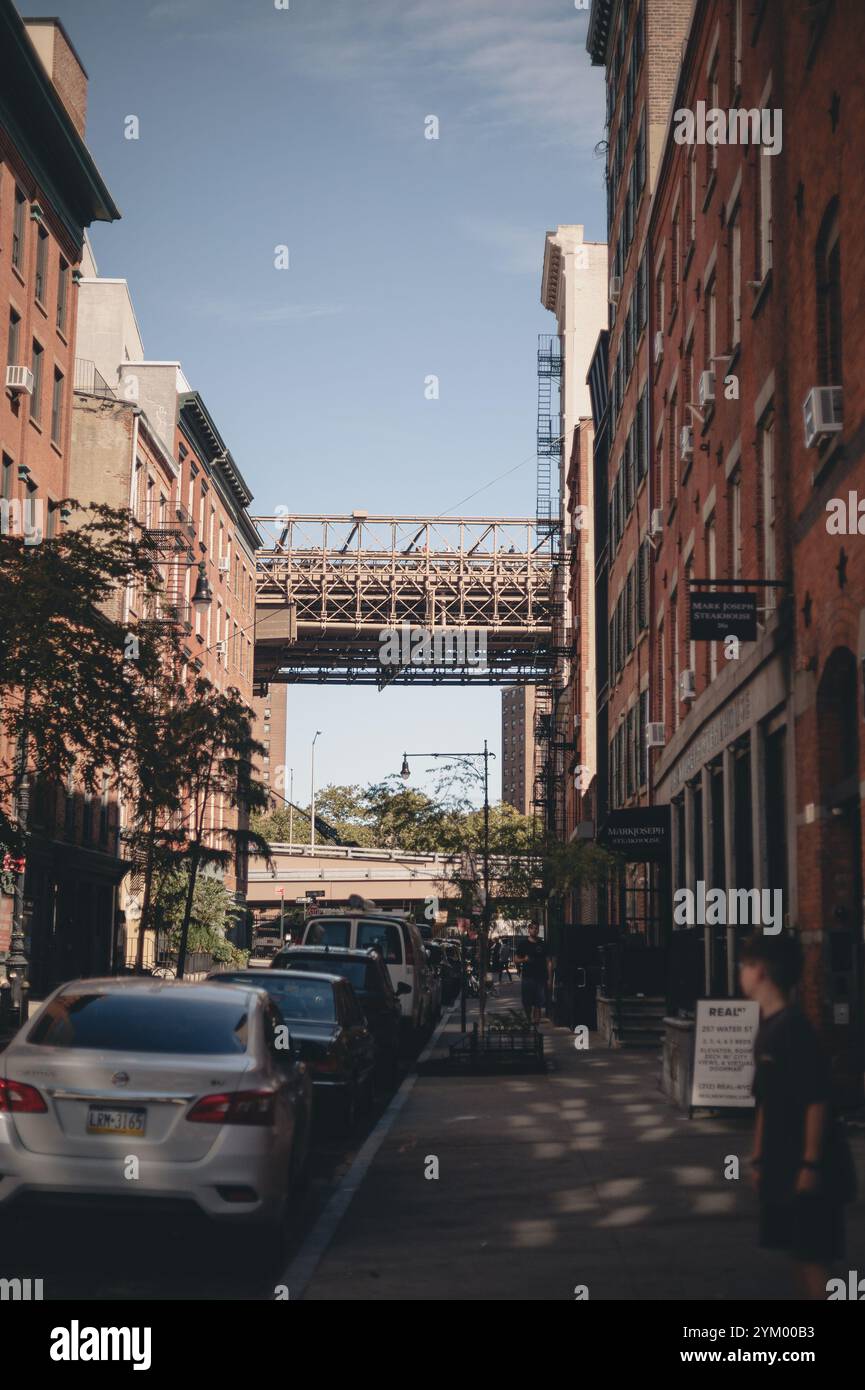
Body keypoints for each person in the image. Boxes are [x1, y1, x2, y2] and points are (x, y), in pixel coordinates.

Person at [739, 932, 856, 1300]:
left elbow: (817, 1100)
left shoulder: (794, 1029)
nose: (741, 972)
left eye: (745, 965)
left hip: (807, 1167)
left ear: (760, 972)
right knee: (798, 1255)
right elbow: (765, 1103)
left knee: (813, 1260)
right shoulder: (768, 1029)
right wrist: (759, 1159)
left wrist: (810, 1164)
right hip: (781, 1164)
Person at [515, 922, 553, 1027]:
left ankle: (536, 1024)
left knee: (538, 1003)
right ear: (529, 930)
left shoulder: (543, 944)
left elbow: (549, 962)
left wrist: (550, 978)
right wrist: (524, 959)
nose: (535, 930)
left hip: (541, 977)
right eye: (532, 928)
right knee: (526, 1002)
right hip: (527, 977)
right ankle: (528, 1019)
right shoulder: (523, 944)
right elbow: (516, 959)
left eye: (536, 929)